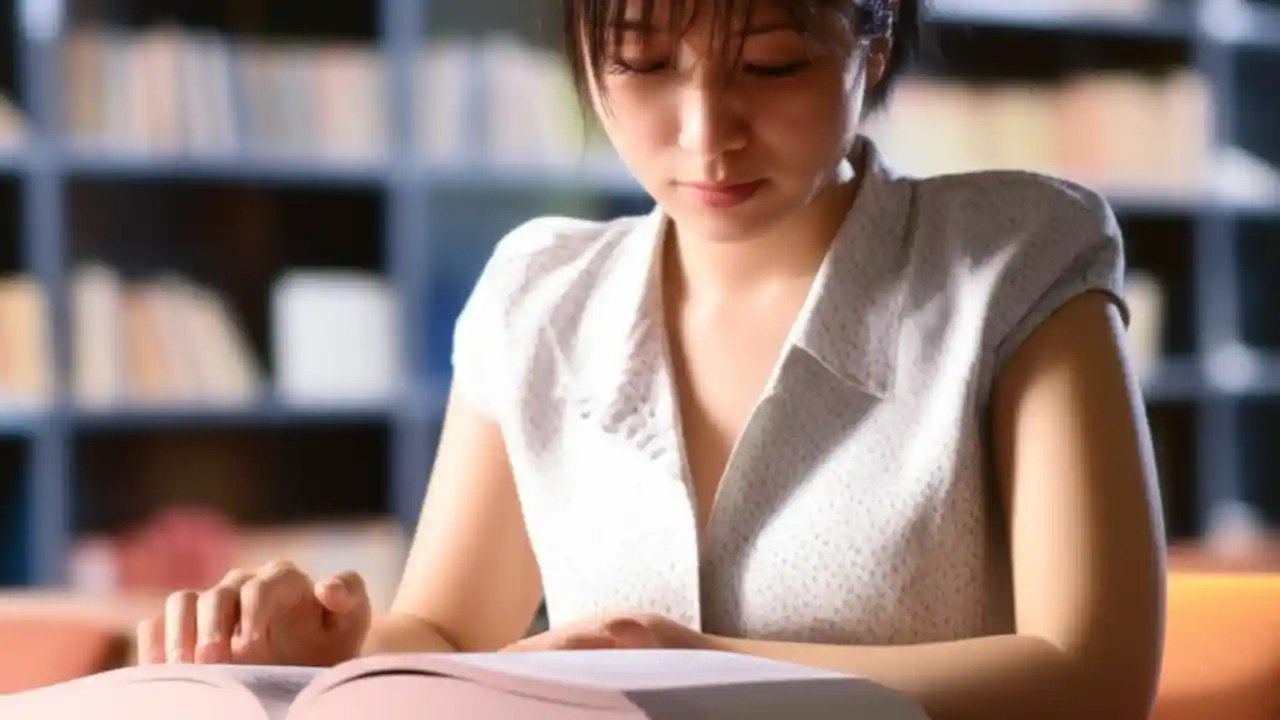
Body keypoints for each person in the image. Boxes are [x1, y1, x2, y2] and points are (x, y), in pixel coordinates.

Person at [137, 0, 1167, 717]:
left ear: (874, 42)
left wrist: (696, 674)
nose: (703, 132)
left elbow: (1090, 678)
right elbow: (447, 634)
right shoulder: (537, 292)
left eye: (771, 63)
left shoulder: (1014, 253)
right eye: (639, 63)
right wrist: (330, 663)